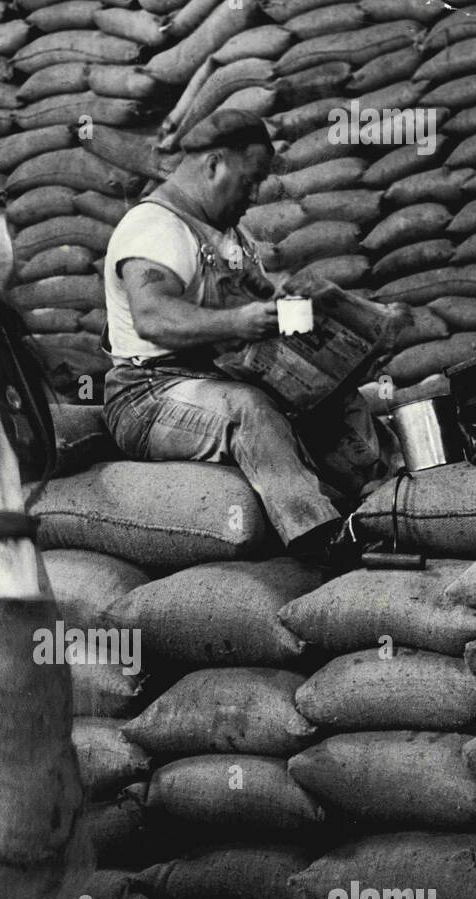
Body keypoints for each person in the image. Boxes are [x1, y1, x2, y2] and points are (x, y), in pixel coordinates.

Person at [101, 108, 394, 563]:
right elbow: (154, 317)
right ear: (213, 164)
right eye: (249, 181)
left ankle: (385, 504)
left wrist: (332, 321)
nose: (254, 195)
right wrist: (238, 323)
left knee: (334, 397)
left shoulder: (231, 238)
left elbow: (265, 300)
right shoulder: (154, 228)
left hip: (214, 378)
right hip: (148, 394)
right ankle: (319, 539)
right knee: (250, 410)